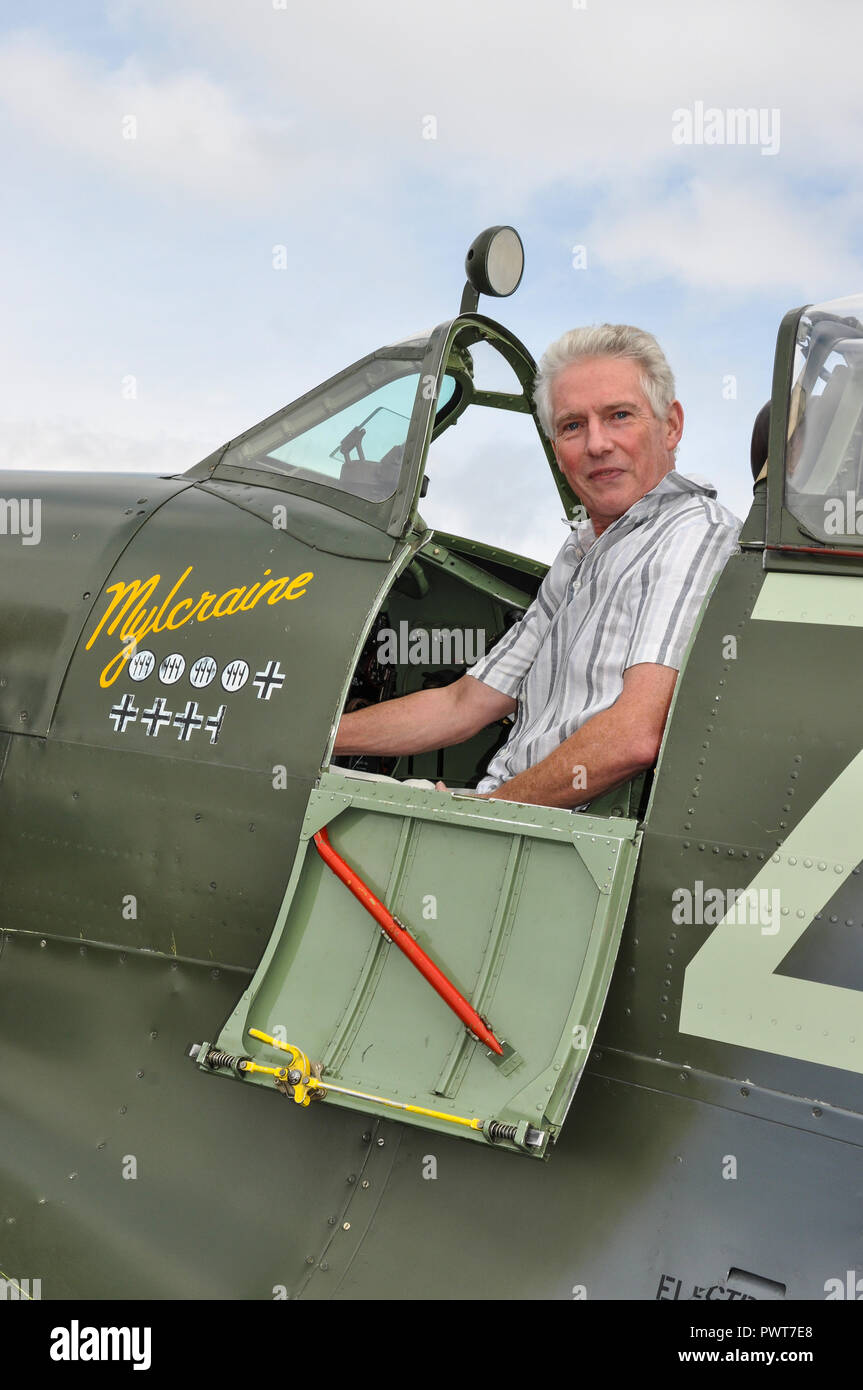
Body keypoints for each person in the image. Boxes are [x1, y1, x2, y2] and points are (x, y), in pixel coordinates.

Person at [334, 324, 740, 809]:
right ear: (556, 450)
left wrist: (488, 811)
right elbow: (462, 705)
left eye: (619, 416)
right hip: (508, 808)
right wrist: (315, 736)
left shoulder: (692, 531)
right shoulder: (580, 554)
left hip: (556, 832)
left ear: (670, 425)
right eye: (572, 426)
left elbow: (633, 735)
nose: (596, 444)